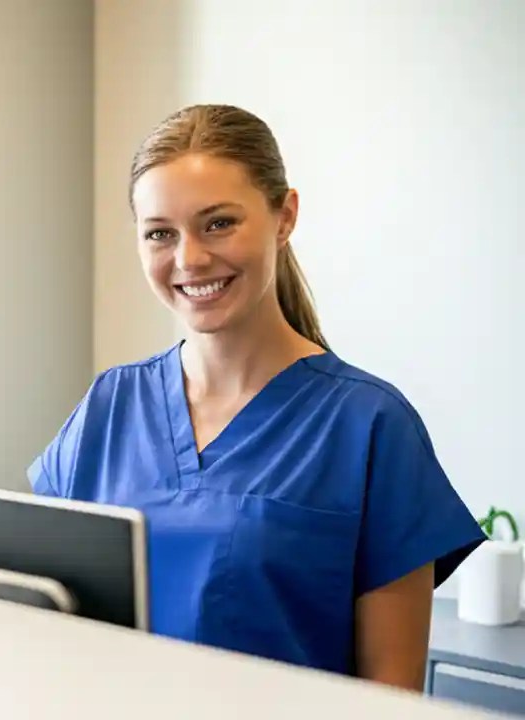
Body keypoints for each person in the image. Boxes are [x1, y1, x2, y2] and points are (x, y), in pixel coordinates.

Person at [28, 104, 484, 690]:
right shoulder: (108, 407)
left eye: (218, 223)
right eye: (160, 233)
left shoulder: (370, 427)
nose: (189, 258)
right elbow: (45, 632)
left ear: (284, 216)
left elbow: (392, 696)